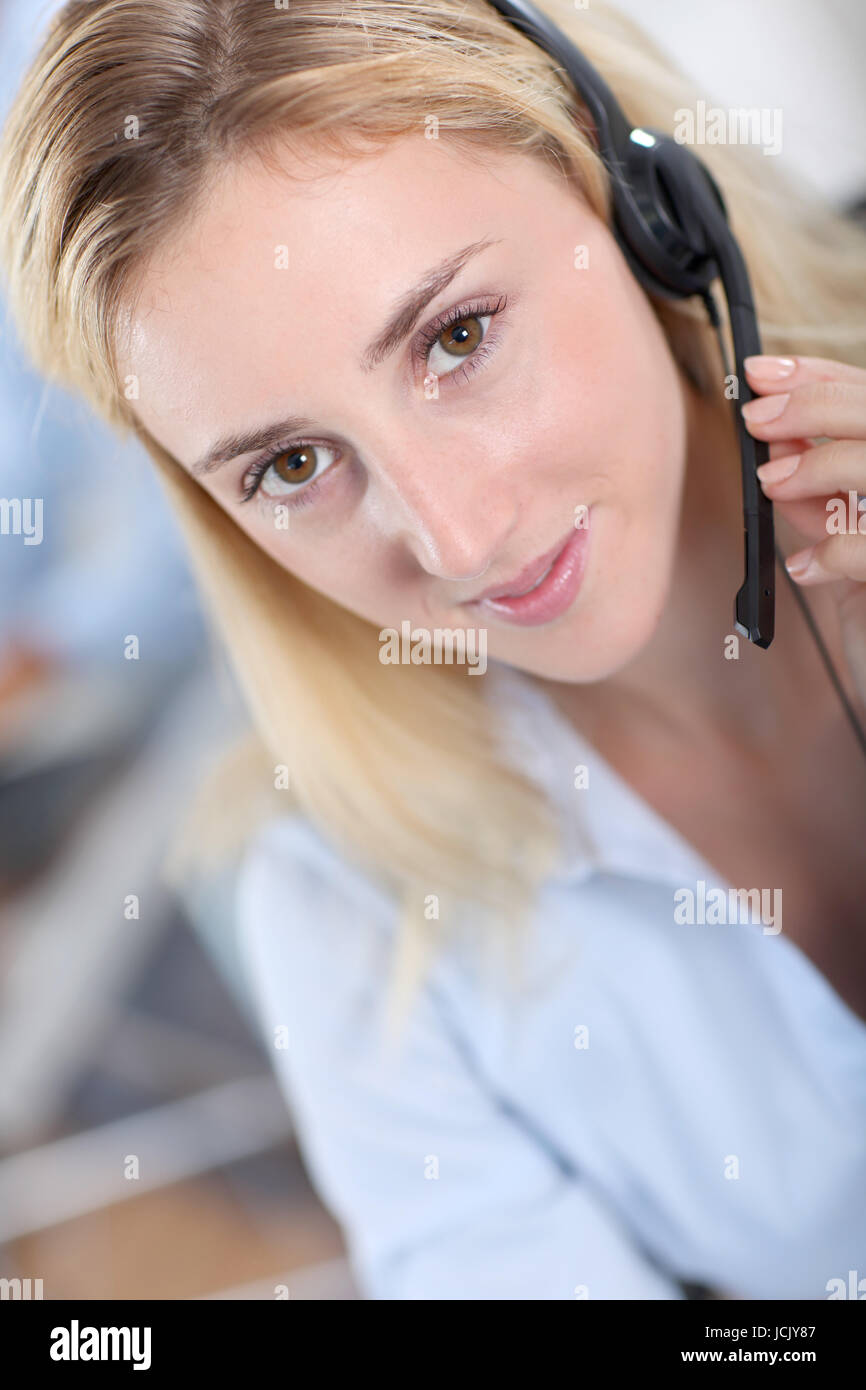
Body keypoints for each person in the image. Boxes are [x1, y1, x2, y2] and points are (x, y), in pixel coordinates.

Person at [1, 0, 864, 1300]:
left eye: (456, 337)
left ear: (627, 192)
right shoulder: (343, 906)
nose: (457, 539)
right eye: (291, 464)